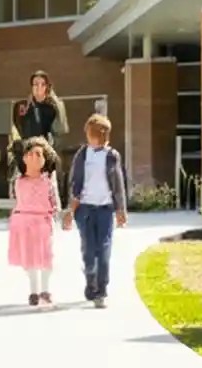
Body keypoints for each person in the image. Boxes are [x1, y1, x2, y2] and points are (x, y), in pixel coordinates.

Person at [62, 114, 127, 308]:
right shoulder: (83, 154)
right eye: (91, 134)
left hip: (105, 209)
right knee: (88, 250)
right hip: (85, 209)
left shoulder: (111, 155)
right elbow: (75, 183)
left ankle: (101, 291)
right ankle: (91, 280)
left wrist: (120, 210)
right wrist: (70, 210)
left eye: (97, 134)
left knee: (104, 249)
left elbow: (118, 184)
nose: (93, 138)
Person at [8, 136, 63, 308]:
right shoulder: (18, 181)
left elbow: (55, 202)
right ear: (23, 158)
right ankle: (33, 290)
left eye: (39, 154)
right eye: (30, 153)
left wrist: (59, 216)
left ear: (46, 159)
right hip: (24, 222)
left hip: (43, 222)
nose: (34, 157)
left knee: (46, 256)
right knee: (29, 258)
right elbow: (16, 199)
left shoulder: (48, 181)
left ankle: (45, 290)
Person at [16, 70, 69, 143]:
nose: (39, 87)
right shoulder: (24, 106)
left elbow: (60, 130)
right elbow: (20, 128)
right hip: (29, 146)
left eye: (43, 84)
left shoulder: (52, 107)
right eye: (36, 84)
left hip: (47, 146)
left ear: (47, 87)